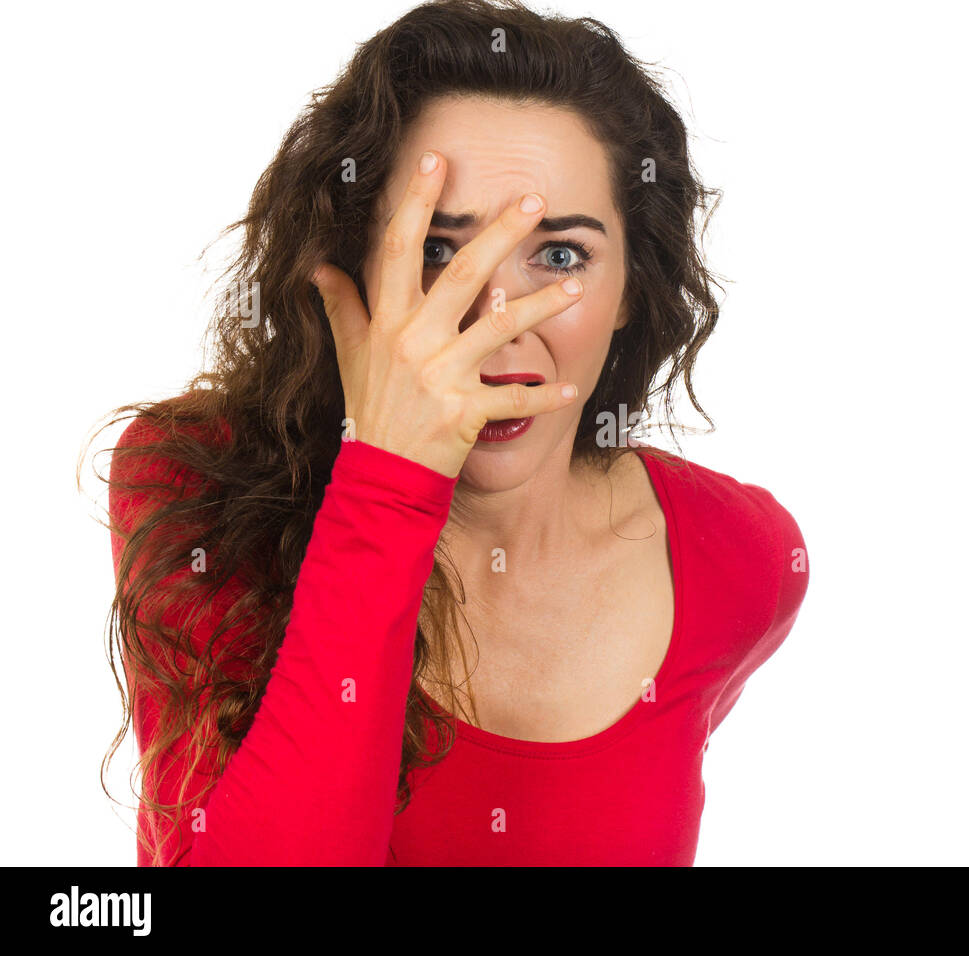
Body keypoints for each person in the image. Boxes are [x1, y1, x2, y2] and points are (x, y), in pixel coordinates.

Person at [100, 0, 808, 866]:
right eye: (438, 250)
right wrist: (387, 475)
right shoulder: (193, 486)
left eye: (559, 256)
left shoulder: (741, 557)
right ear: (350, 270)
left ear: (631, 290)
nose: (493, 324)